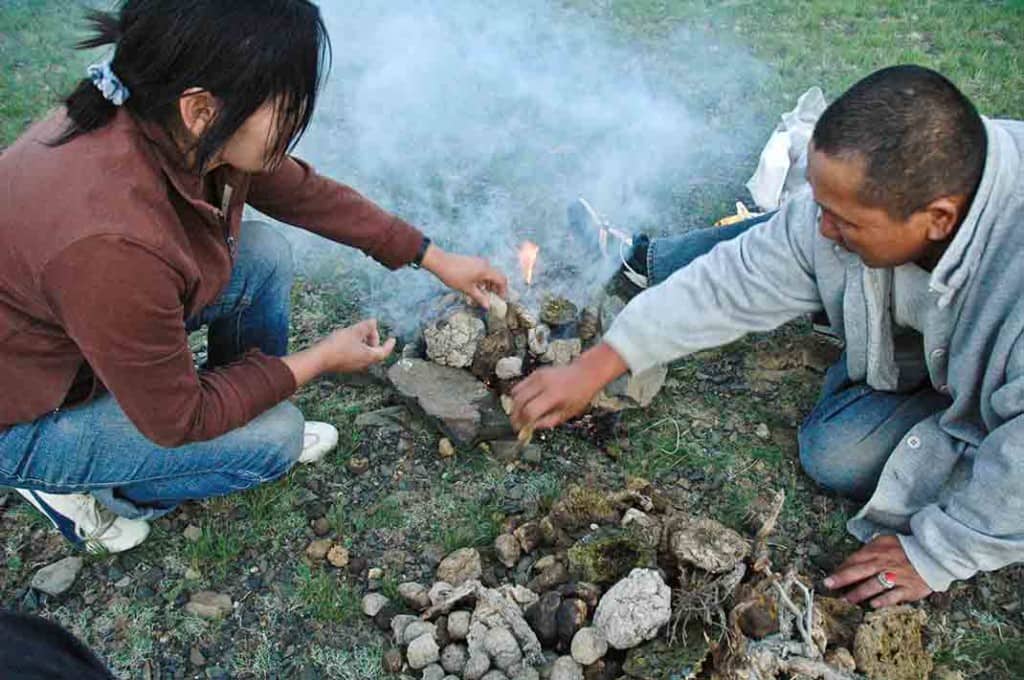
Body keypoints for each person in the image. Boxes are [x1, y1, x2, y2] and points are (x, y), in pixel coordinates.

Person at [0, 0, 506, 553]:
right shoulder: (112, 245)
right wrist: (316, 361)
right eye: (285, 106)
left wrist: (432, 257)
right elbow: (178, 418)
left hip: (77, 341)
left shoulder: (166, 121)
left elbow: (301, 191)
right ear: (201, 108)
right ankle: (83, 485)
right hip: (29, 408)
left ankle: (241, 409)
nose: (295, 123)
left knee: (262, 255)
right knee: (275, 440)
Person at [512, 65, 1024, 608]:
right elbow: (737, 279)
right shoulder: (873, 201)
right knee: (833, 454)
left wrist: (940, 553)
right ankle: (967, 409)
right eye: (821, 210)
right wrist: (598, 365)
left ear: (938, 219)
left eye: (844, 222)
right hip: (950, 365)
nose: (823, 230)